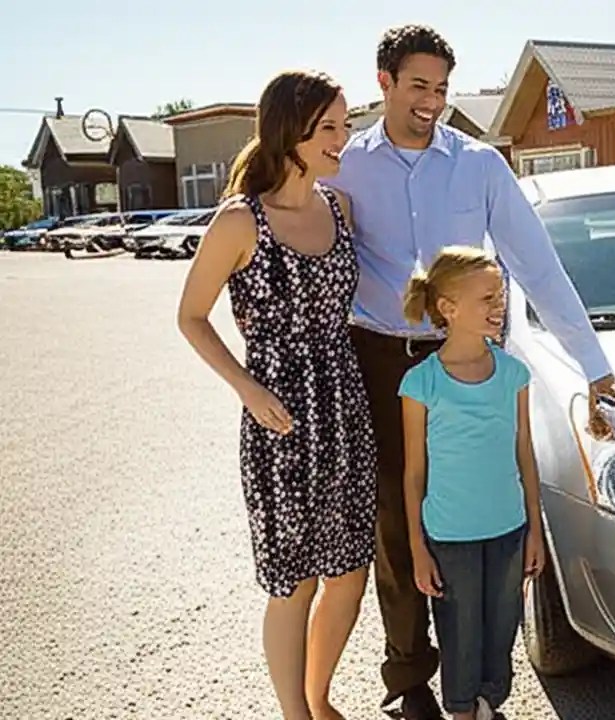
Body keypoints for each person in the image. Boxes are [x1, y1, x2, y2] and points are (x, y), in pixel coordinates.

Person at [323, 24, 615, 718]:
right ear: (383, 83)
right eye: (418, 87)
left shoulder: (479, 165)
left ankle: (479, 678)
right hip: (381, 361)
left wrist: (593, 365)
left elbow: (537, 265)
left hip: (471, 363)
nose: (432, 102)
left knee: (486, 515)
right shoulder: (346, 166)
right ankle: (410, 680)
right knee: (396, 517)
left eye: (441, 88)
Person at [176, 69, 374, 720]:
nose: (341, 141)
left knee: (349, 573)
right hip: (280, 423)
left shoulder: (340, 208)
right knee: (295, 580)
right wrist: (246, 387)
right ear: (289, 132)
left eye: (345, 127)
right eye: (328, 129)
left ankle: (318, 698)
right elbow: (192, 317)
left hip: (346, 412)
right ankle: (295, 712)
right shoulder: (241, 221)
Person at [398, 246, 544, 720]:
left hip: (508, 531)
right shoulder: (421, 384)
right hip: (450, 537)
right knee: (459, 632)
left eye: (500, 295)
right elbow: (413, 473)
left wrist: (535, 532)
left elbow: (526, 456)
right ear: (448, 308)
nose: (498, 306)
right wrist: (418, 549)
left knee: (502, 629)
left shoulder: (514, 375)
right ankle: (463, 710)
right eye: (487, 297)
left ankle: (487, 704)